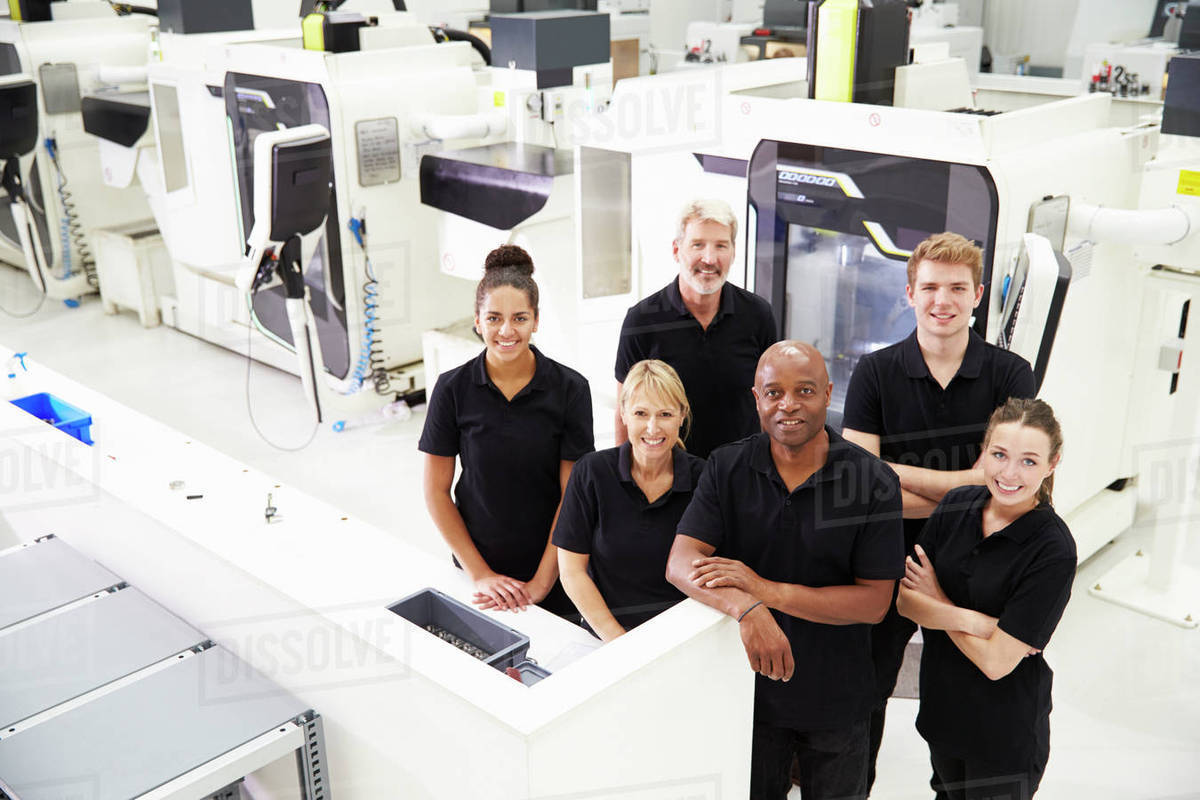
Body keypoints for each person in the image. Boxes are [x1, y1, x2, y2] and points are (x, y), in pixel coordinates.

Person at [839, 232, 1036, 790]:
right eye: (929, 287)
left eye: (956, 288)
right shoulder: (876, 373)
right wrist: (971, 483)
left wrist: (894, 476)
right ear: (909, 293)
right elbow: (860, 482)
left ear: (978, 295)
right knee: (868, 686)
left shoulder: (1011, 375)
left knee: (966, 688)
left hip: (981, 556)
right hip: (886, 555)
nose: (941, 301)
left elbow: (1009, 487)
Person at [667, 341, 903, 800]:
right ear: (756, 398)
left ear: (829, 393)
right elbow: (680, 562)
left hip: (839, 702)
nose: (788, 405)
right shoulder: (727, 465)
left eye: (805, 391)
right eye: (773, 392)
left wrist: (770, 591)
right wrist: (749, 608)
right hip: (750, 698)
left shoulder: (873, 482)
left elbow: (875, 603)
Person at [897, 397, 1076, 799]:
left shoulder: (1053, 550)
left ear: (1052, 464)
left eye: (1029, 461)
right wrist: (976, 622)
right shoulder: (957, 504)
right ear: (984, 453)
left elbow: (997, 664)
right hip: (943, 713)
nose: (1010, 473)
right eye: (999, 455)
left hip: (1003, 735)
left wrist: (939, 602)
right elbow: (906, 603)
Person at [419, 245, 594, 616]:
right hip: (475, 572)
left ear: (536, 320)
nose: (506, 331)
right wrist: (480, 574)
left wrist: (544, 582)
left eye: (519, 318)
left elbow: (572, 497)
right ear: (478, 321)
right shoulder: (452, 389)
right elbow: (436, 491)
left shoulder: (570, 389)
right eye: (494, 318)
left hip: (554, 568)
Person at [615, 197, 777, 458]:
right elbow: (625, 410)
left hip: (739, 475)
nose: (709, 258)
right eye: (698, 245)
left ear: (733, 252)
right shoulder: (642, 320)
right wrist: (623, 479)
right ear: (677, 250)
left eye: (721, 246)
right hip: (670, 478)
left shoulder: (758, 315)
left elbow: (771, 400)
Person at [553, 359, 705, 639]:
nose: (652, 428)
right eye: (640, 413)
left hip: (682, 638)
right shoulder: (591, 472)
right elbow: (572, 571)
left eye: (665, 415)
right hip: (605, 638)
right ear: (623, 413)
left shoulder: (705, 480)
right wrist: (618, 641)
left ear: (682, 415)